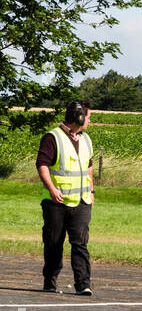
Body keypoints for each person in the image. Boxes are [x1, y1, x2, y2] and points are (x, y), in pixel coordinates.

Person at [36, 101, 95, 296]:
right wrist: (52, 189)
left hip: (81, 202)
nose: (89, 121)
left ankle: (83, 284)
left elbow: (89, 166)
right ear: (78, 117)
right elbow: (42, 165)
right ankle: (50, 281)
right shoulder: (53, 137)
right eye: (87, 117)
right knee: (54, 243)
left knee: (80, 244)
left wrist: (91, 192)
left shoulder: (86, 139)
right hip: (56, 202)